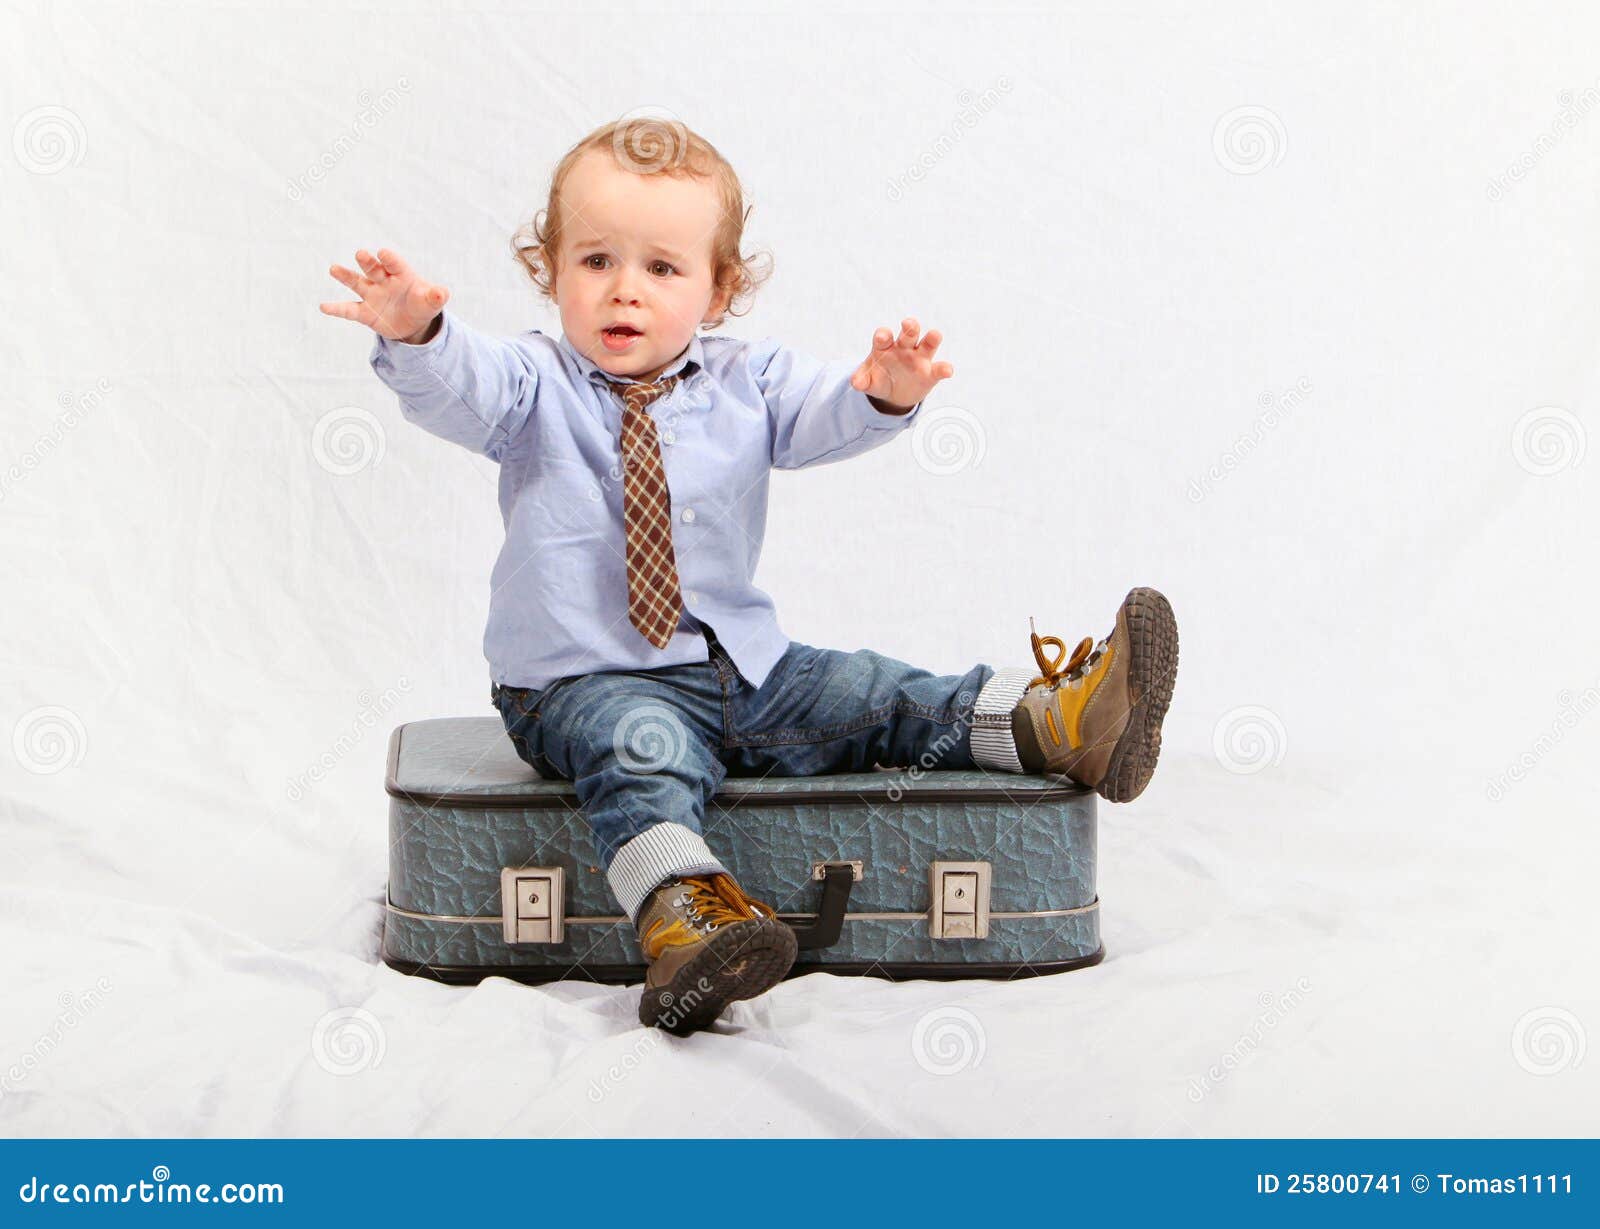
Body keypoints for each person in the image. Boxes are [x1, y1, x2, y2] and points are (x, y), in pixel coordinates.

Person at [320, 117, 1178, 1035]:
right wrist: (419, 334)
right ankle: (689, 923)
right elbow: (464, 382)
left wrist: (880, 390)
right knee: (640, 751)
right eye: (596, 260)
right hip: (577, 687)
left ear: (719, 287)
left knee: (873, 692)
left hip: (742, 669)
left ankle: (1061, 721)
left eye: (662, 268)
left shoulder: (748, 378)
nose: (625, 291)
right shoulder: (534, 384)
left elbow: (820, 419)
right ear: (552, 268)